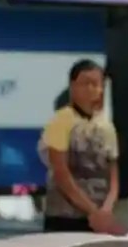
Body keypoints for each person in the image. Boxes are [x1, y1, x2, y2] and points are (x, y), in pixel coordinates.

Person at [40, 59, 123, 233]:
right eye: (86, 83)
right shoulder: (60, 121)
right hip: (65, 216)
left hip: (99, 219)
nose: (92, 89)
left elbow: (113, 173)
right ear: (73, 86)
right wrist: (92, 211)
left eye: (97, 84)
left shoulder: (106, 126)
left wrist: (106, 210)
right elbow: (61, 172)